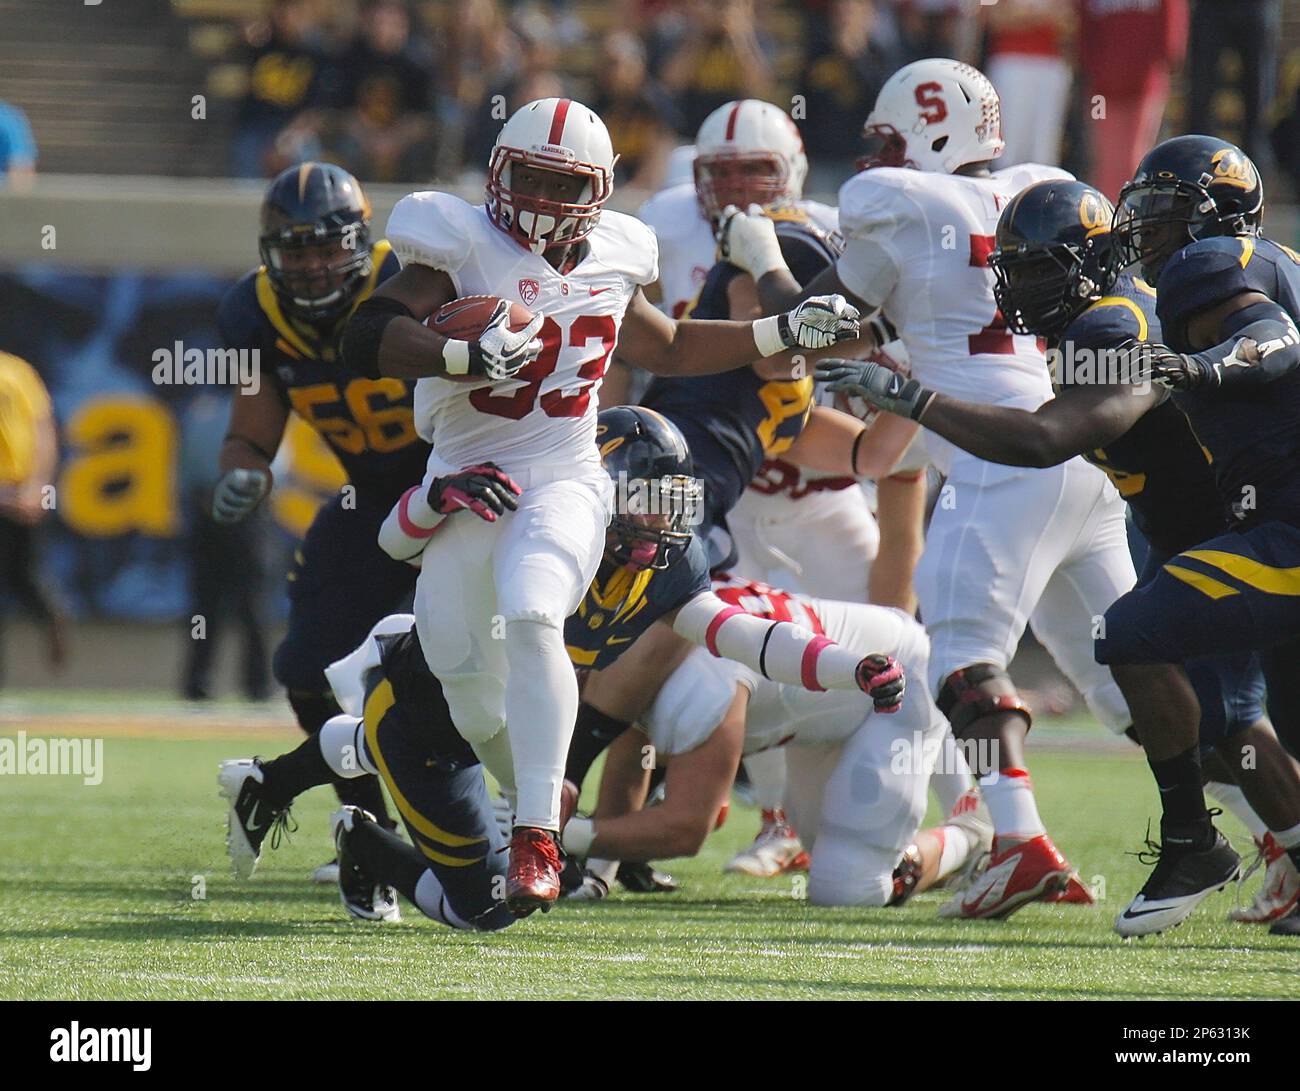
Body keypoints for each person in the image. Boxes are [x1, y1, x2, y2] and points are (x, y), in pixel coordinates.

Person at [338, 96, 865, 914]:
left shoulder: (618, 253)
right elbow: (364, 335)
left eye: (564, 184)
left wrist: (782, 331)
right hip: (473, 484)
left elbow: (671, 344)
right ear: (498, 175)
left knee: (536, 612)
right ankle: (498, 795)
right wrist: (457, 351)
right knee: (468, 684)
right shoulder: (457, 244)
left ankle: (538, 837)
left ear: (601, 191)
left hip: (564, 474)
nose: (544, 200)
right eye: (532, 179)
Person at [813, 175, 1300, 929]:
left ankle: (1176, 841)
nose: (1020, 286)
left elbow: (1046, 438)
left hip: (1234, 534)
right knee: (1232, 725)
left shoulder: (1109, 325)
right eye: (1013, 269)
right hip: (1193, 527)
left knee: (1128, 644)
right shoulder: (1107, 315)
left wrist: (913, 398)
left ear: (1091, 263)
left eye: (1039, 267)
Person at [720, 59, 1137, 918]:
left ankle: (1017, 841)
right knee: (1130, 679)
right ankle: (1274, 830)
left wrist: (763, 259)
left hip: (996, 466)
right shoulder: (1044, 184)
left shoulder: (899, 204)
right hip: (1077, 454)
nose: (877, 159)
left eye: (887, 140)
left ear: (927, 133)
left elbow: (805, 331)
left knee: (958, 661)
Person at [218, 406, 906, 924]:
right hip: (435, 711)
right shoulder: (532, 522)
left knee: (510, 818)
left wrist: (850, 667)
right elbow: (396, 534)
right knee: (487, 900)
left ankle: (277, 787)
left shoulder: (666, 566)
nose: (660, 522)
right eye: (644, 500)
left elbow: (744, 634)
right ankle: (366, 845)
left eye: (672, 503)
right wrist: (436, 498)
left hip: (497, 716)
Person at [1097, 135, 1300, 937]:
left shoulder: (1214, 262)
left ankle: (1191, 839)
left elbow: (1276, 338)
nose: (1147, 228)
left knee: (1132, 629)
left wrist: (1211, 367)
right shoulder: (1261, 257)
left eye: (1164, 209)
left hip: (1291, 532)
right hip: (1271, 522)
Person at [214, 162, 424, 875]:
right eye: (294, 249)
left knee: (434, 670)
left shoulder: (417, 281)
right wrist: (243, 468)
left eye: (325, 247)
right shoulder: (254, 313)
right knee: (308, 667)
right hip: (370, 500)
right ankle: (367, 831)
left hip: (458, 494)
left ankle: (569, 836)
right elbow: (251, 430)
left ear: (361, 242)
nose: (309, 266)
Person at [0, 351, 65, 680]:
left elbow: (42, 431)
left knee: (26, 577)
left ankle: (52, 616)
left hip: (17, 492)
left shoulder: (16, 372)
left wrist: (37, 485)